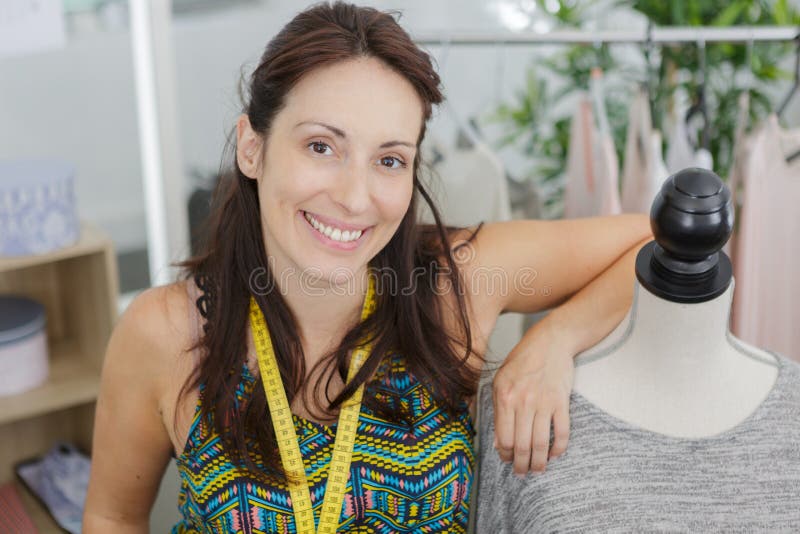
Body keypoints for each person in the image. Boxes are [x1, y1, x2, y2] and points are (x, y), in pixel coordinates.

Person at [82, 2, 652, 532]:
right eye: (322, 147)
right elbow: (113, 521)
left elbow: (662, 243)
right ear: (251, 148)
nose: (356, 198)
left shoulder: (455, 286)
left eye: (388, 159)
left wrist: (552, 340)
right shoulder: (165, 333)